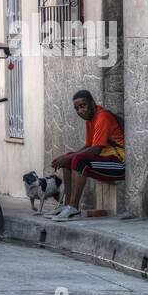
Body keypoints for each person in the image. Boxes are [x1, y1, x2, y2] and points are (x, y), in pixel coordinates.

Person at [48, 89, 125, 222]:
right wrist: (67, 157)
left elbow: (96, 149)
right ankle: (67, 205)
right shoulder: (90, 120)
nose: (80, 111)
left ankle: (74, 209)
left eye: (83, 106)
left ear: (92, 103)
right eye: (77, 108)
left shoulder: (102, 117)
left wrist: (70, 157)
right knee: (71, 157)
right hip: (107, 160)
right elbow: (89, 145)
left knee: (78, 160)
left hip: (119, 163)